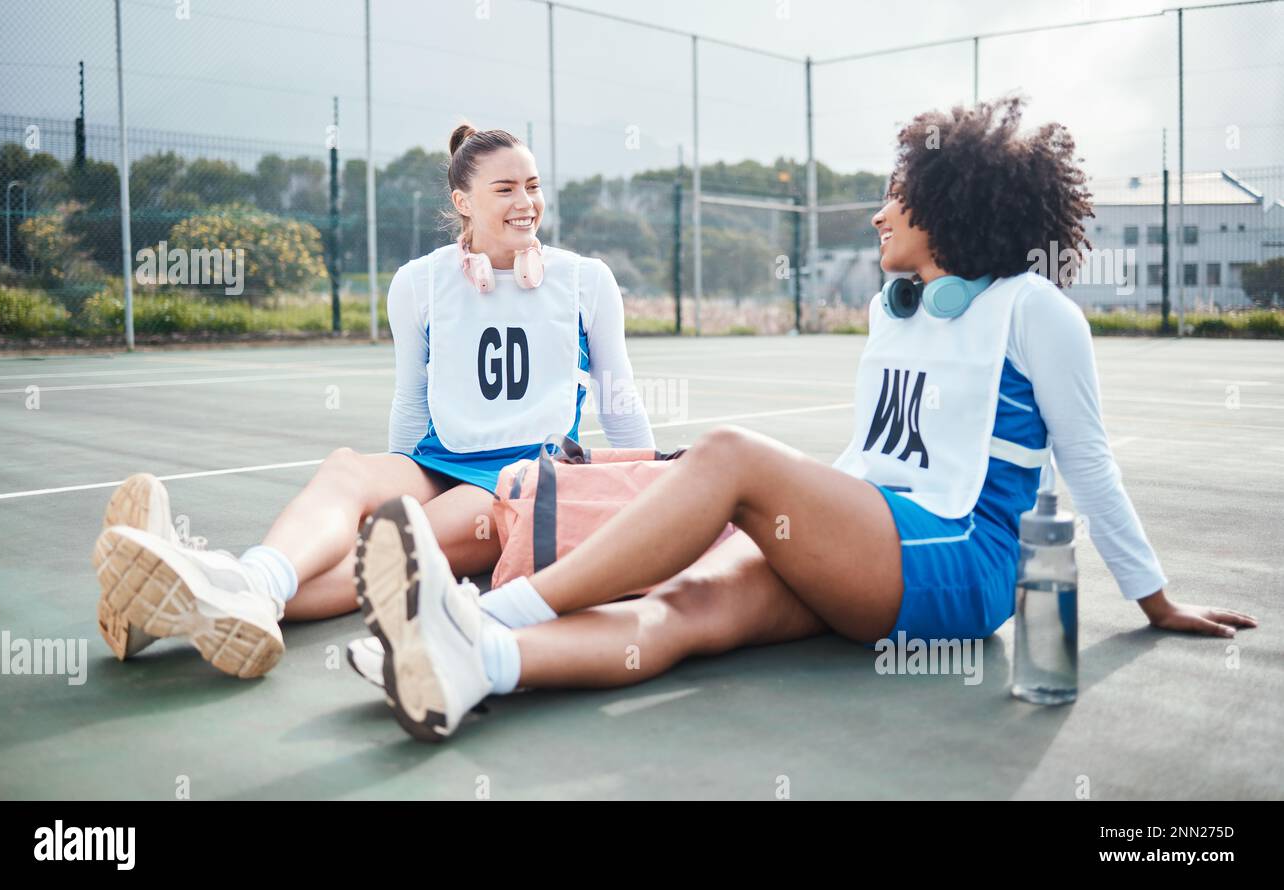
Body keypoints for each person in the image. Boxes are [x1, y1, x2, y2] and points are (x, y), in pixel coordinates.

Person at [353, 97, 1259, 742]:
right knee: (689, 604)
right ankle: (481, 665)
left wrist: (1155, 600)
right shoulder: (898, 306)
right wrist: (797, 524)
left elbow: (1089, 463)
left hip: (960, 560)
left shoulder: (1035, 312)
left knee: (733, 456)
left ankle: (482, 615)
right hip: (873, 540)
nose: (876, 211)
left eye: (894, 195)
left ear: (948, 205)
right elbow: (869, 456)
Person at [92, 124, 654, 679]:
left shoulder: (586, 281)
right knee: (346, 470)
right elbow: (410, 399)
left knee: (386, 546)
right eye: (505, 189)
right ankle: (240, 587)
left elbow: (618, 398)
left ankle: (196, 589)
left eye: (532, 185)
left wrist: (651, 493)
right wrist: (395, 479)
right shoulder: (419, 283)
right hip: (437, 461)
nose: (525, 202)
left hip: (519, 480)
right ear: (463, 201)